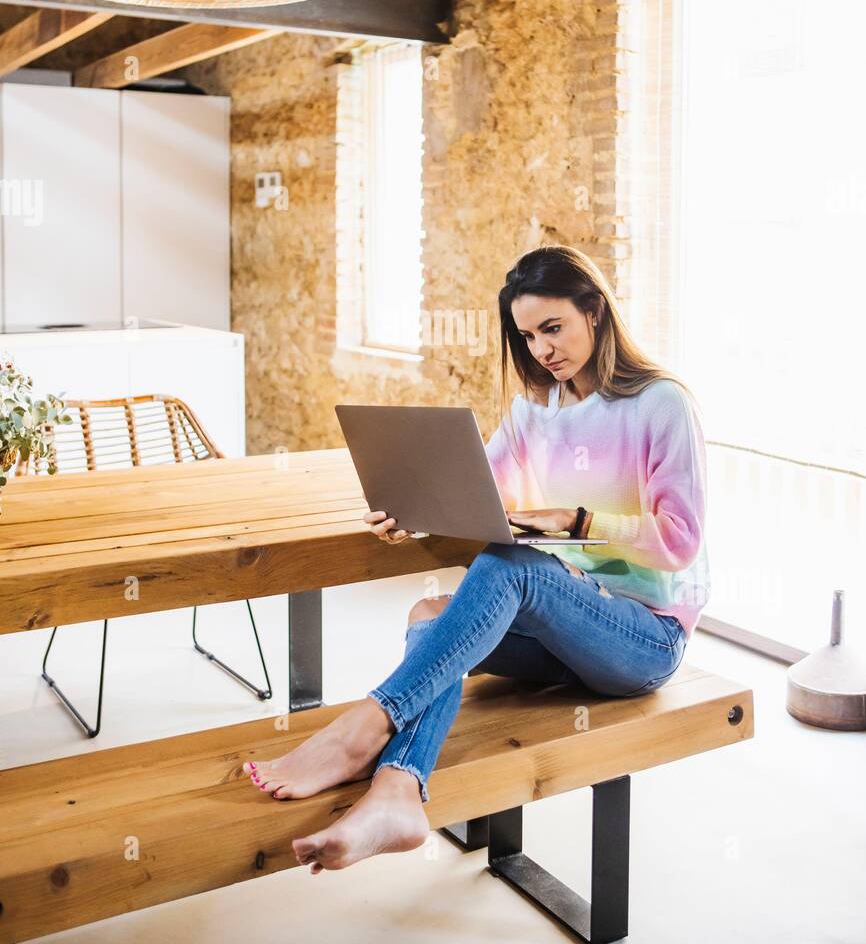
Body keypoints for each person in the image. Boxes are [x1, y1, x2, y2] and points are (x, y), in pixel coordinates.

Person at [243, 244, 709, 874]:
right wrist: (412, 512)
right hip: (569, 633)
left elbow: (682, 540)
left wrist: (579, 521)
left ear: (594, 313)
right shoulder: (531, 413)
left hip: (645, 638)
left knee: (512, 566)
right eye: (527, 336)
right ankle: (396, 792)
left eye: (554, 328)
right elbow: (476, 495)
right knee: (431, 611)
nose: (542, 350)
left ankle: (363, 728)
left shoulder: (661, 403)